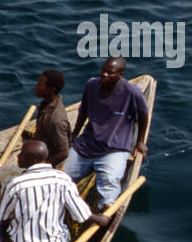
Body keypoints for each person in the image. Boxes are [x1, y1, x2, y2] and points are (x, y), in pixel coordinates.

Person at [0, 140, 109, 242]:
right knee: (64, 227)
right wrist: (100, 219)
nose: (18, 156)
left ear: (33, 160)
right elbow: (82, 216)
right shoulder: (63, 179)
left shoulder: (15, 184)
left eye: (22, 154)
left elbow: (3, 218)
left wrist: (4, 238)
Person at [64, 56, 149, 207]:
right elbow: (83, 111)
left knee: (109, 185)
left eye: (110, 73)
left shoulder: (132, 92)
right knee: (62, 180)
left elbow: (143, 115)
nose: (104, 75)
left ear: (120, 75)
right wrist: (75, 134)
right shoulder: (91, 85)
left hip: (113, 149)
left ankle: (105, 212)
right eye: (103, 70)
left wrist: (140, 142)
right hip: (86, 145)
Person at [31, 69, 71, 167]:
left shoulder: (55, 120)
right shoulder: (48, 103)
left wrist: (41, 167)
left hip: (48, 161)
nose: (36, 86)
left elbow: (64, 153)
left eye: (40, 85)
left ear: (51, 89)